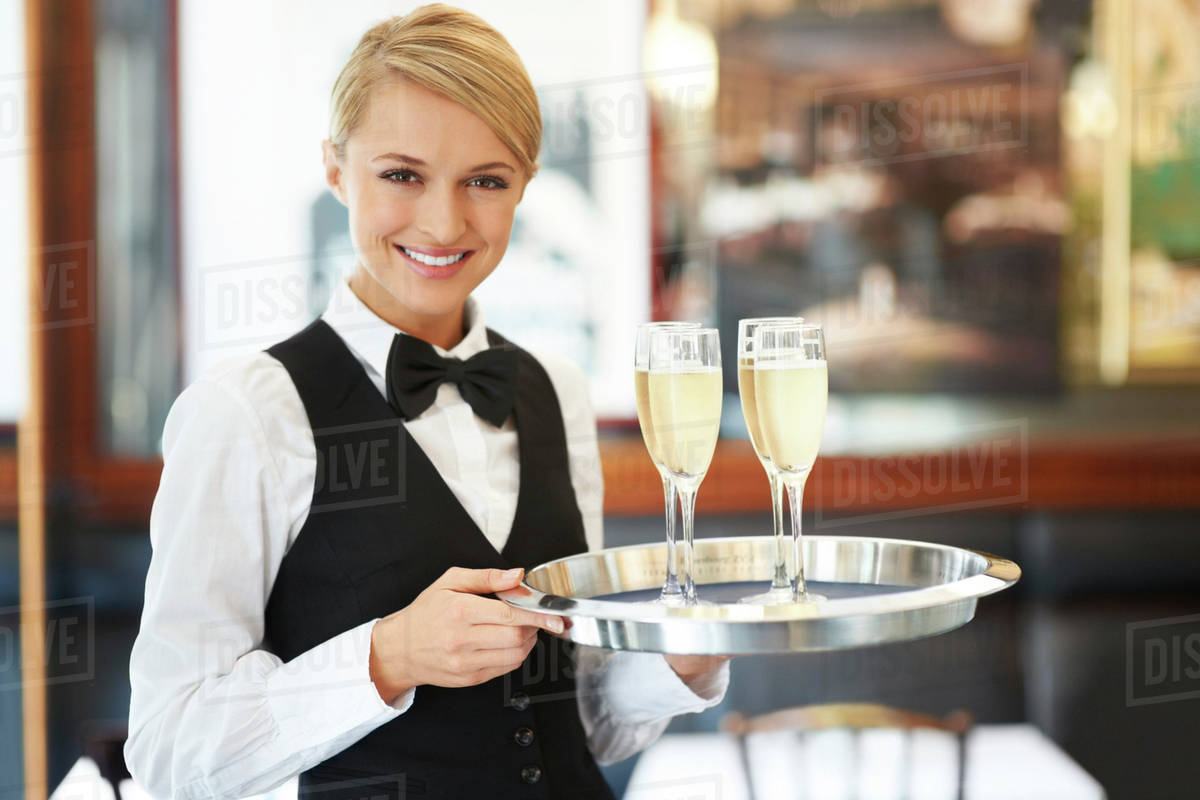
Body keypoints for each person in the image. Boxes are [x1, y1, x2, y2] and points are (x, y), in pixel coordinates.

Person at [124, 6, 731, 799]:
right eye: (402, 175)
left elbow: (572, 719)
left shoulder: (557, 392)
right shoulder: (244, 414)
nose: (444, 221)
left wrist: (679, 667)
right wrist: (387, 658)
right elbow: (170, 750)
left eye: (486, 180)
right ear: (337, 169)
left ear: (526, 187)